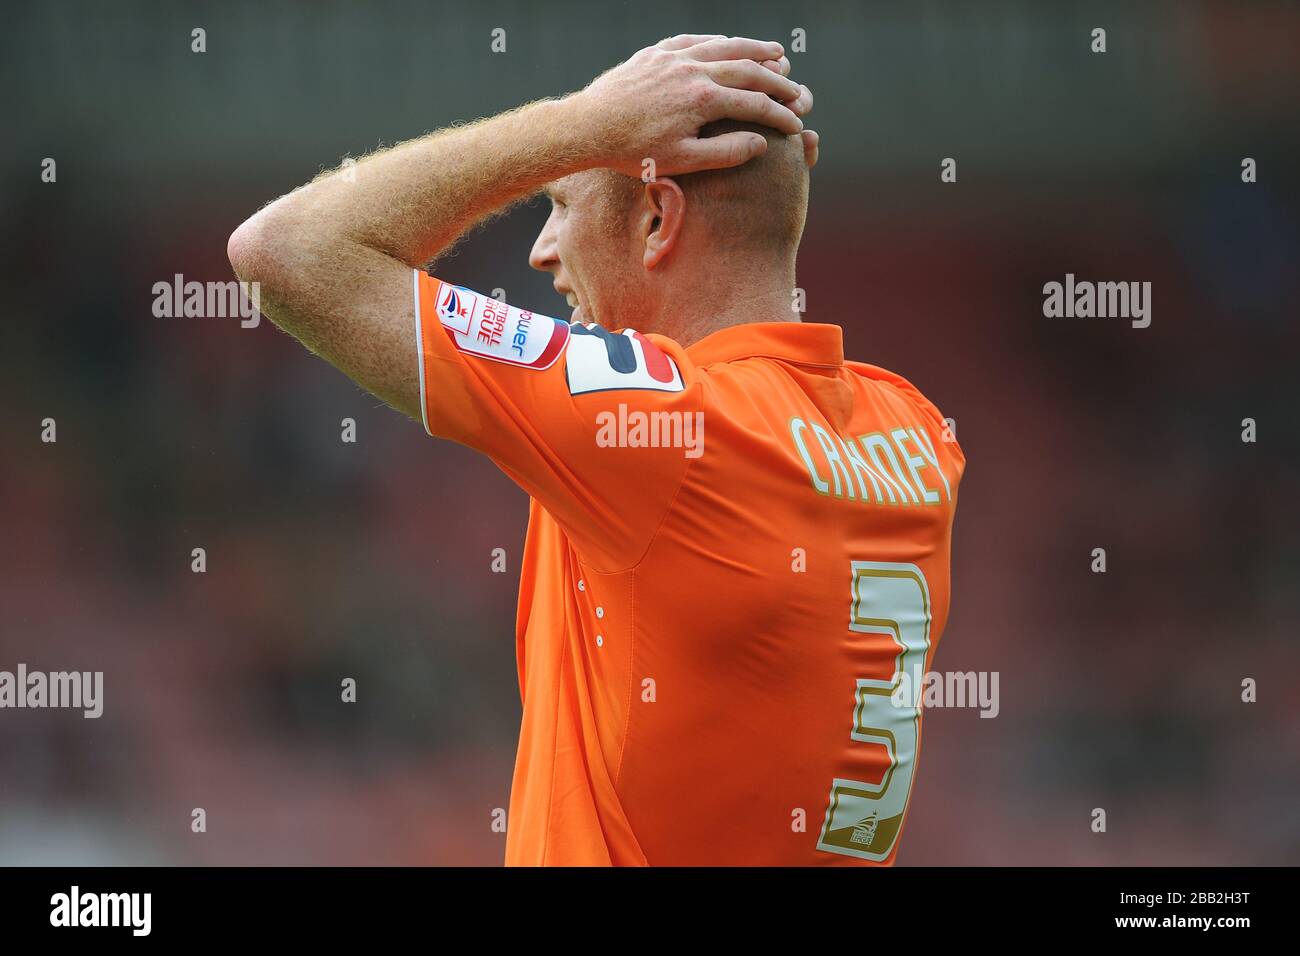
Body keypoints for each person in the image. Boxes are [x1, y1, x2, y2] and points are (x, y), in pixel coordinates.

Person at [228, 34, 965, 865]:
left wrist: (576, 125)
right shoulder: (917, 435)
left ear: (657, 220)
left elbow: (284, 252)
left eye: (562, 206)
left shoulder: (666, 429)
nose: (542, 250)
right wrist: (763, 174)